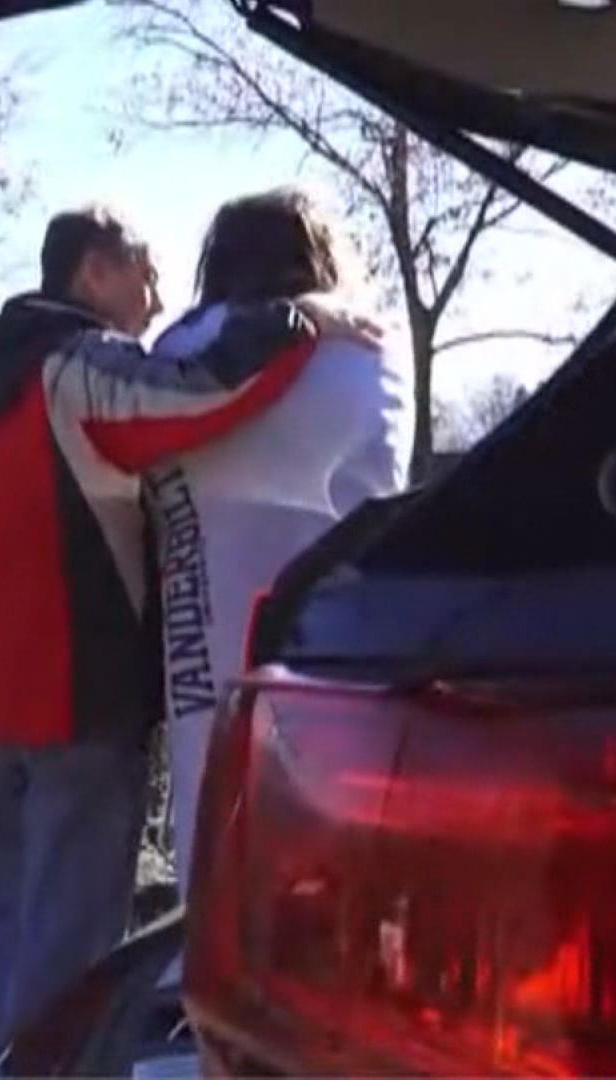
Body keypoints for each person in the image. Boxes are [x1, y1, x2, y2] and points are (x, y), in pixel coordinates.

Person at [0, 205, 366, 1077]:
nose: (159, 294)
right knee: (75, 959)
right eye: (143, 270)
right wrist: (297, 318)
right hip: (72, 707)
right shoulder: (73, 373)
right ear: (93, 273)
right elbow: (201, 395)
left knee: (6, 924)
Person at [149, 189, 415, 892]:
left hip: (198, 633)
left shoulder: (175, 351)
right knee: (327, 839)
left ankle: (198, 981)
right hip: (336, 634)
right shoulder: (368, 346)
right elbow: (384, 489)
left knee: (205, 821)